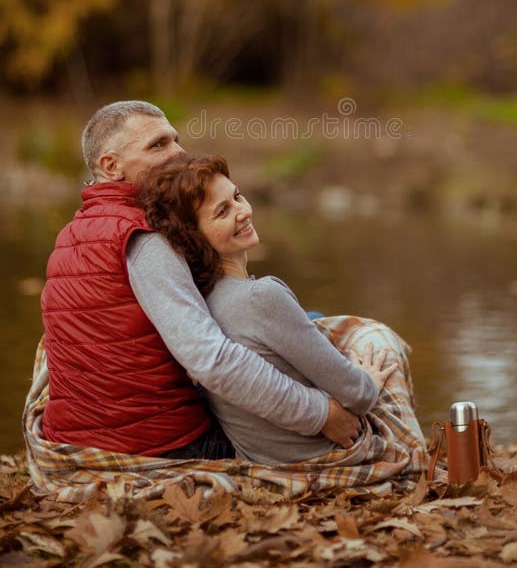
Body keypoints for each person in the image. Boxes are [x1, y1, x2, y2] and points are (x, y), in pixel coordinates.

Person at [40, 100, 361, 460]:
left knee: (307, 319)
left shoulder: (72, 233)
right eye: (158, 145)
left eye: (175, 140)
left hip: (71, 433)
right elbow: (211, 361)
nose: (179, 153)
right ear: (111, 166)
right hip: (162, 445)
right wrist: (320, 415)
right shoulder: (144, 238)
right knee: (350, 340)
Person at [138, 152, 423, 465]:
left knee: (329, 327)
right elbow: (358, 395)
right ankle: (417, 461)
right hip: (327, 455)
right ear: (194, 237)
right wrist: (369, 379)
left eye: (236, 197)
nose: (243, 211)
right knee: (379, 343)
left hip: (262, 459)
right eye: (222, 212)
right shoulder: (262, 297)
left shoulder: (200, 306)